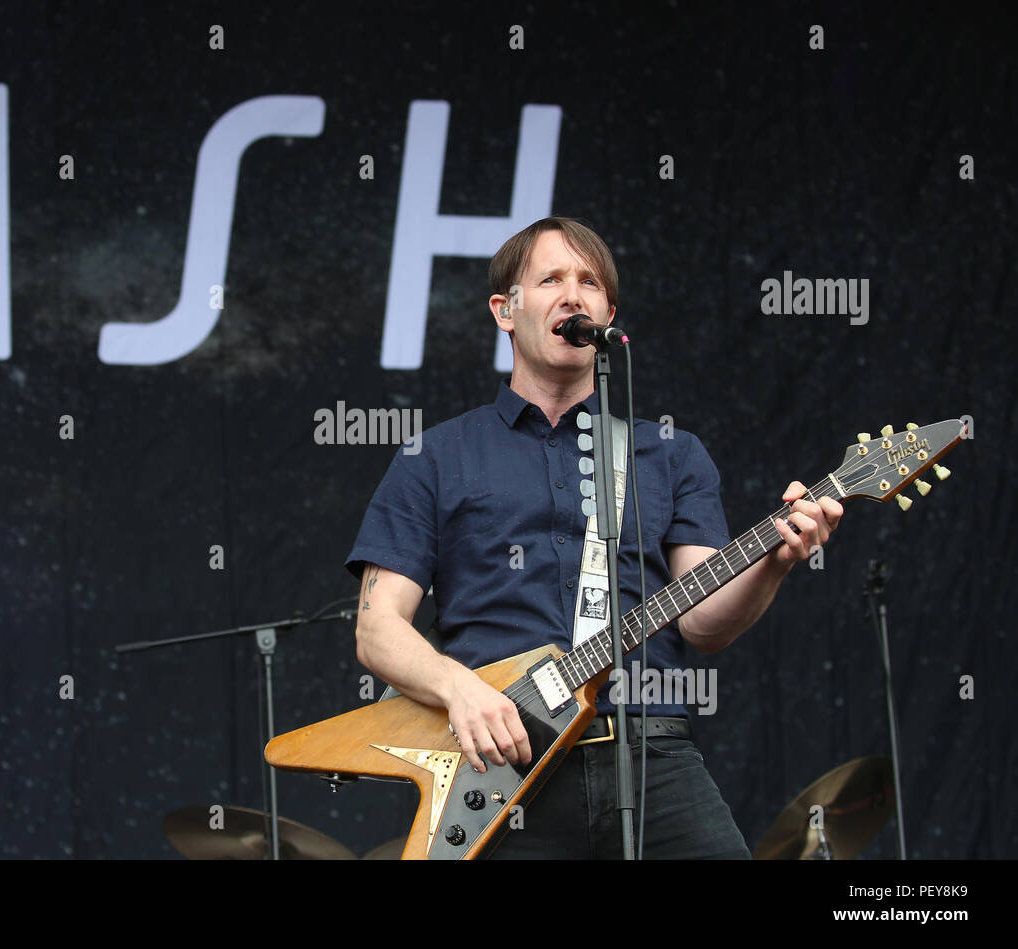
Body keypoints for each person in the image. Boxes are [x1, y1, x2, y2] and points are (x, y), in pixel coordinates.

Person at [346, 217, 843, 859]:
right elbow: (377, 629)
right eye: (550, 278)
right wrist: (459, 689)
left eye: (590, 283)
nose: (573, 295)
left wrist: (775, 560)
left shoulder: (670, 454)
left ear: (609, 314)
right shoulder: (435, 455)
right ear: (506, 310)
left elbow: (704, 624)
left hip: (649, 749)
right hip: (505, 760)